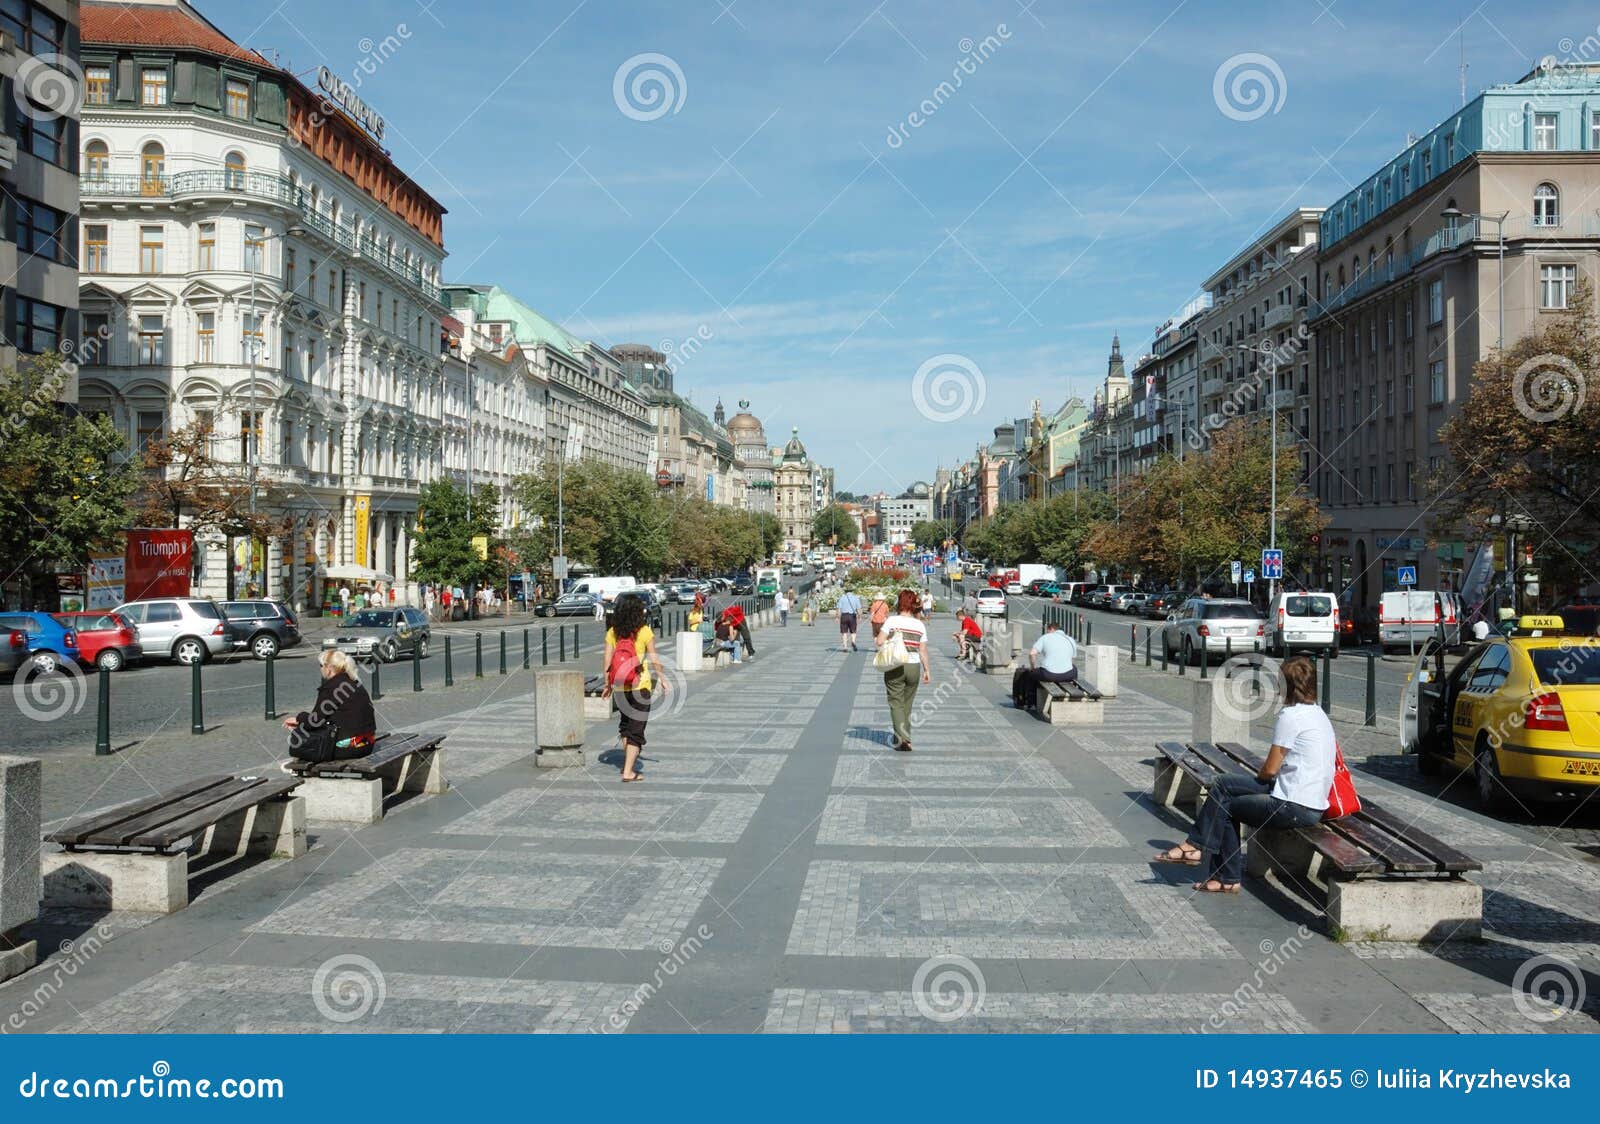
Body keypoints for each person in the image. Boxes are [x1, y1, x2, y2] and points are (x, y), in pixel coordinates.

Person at [1154, 655, 1335, 893]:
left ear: (1286, 686)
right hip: (1309, 801)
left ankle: (1214, 866)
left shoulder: (1291, 716)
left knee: (1225, 803)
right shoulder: (1318, 714)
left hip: (1293, 806)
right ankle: (1200, 852)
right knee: (1223, 786)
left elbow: (1269, 770)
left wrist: (1256, 782)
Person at [603, 596, 666, 783]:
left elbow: (607, 661)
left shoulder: (613, 632)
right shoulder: (645, 631)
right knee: (636, 729)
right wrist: (663, 678)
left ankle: (627, 764)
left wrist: (608, 684)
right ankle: (628, 771)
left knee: (625, 726)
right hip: (640, 685)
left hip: (621, 685)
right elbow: (654, 659)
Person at [282, 649, 377, 761]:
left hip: (349, 749)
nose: (320, 669)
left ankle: (296, 770)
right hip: (367, 743)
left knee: (302, 746)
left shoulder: (331, 688)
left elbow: (315, 721)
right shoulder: (354, 682)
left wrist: (299, 719)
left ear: (329, 668)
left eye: (321, 665)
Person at [877, 590, 931, 751]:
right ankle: (903, 737)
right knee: (907, 704)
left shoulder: (892, 621)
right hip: (914, 667)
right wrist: (927, 670)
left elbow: (879, 641)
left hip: (896, 665)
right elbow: (923, 651)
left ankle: (903, 739)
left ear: (899, 603)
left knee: (895, 703)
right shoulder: (920, 625)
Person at [1012, 618, 1078, 709]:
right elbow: (1072, 660)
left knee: (1031, 674)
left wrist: (1033, 667)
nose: (1046, 632)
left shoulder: (1045, 637)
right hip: (1068, 675)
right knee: (1074, 668)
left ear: (1051, 629)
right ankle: (1073, 693)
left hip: (1049, 675)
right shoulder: (1070, 640)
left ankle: (1032, 700)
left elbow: (1032, 654)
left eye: (1047, 630)